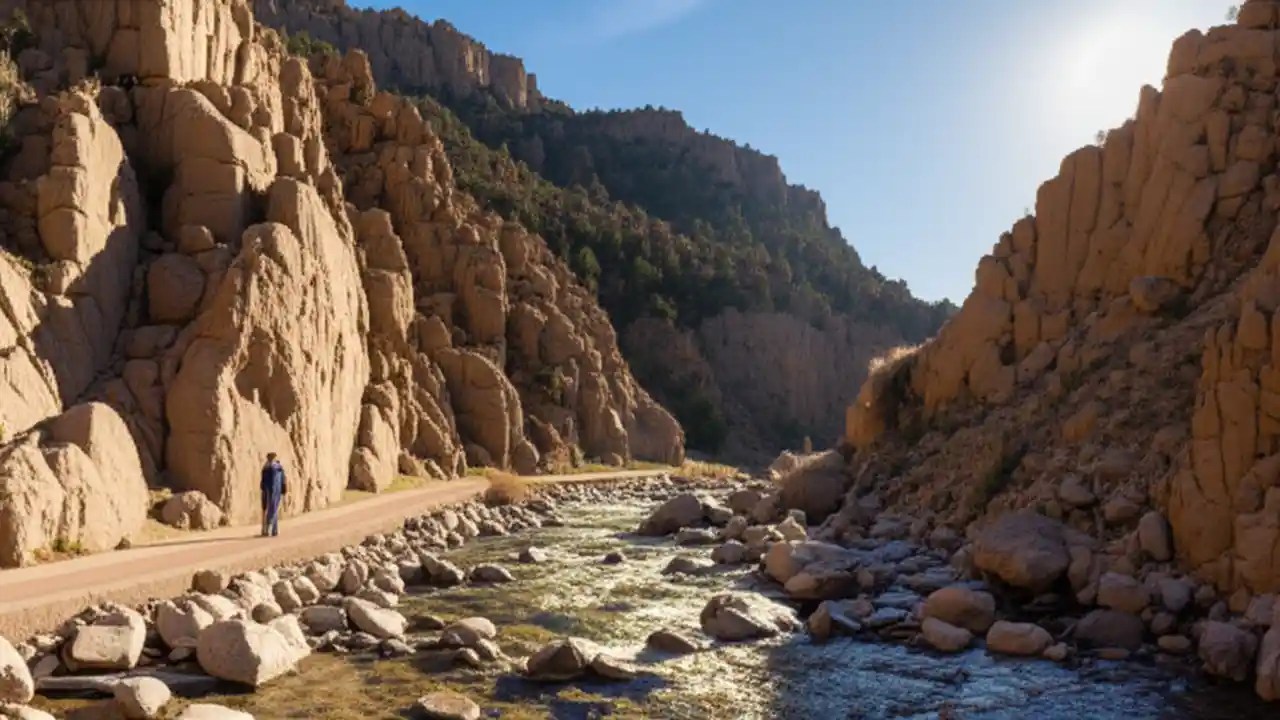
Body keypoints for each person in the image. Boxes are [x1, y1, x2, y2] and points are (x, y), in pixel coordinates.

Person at [260, 452, 286, 537]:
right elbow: (263, 480)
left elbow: (283, 479)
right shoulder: (269, 468)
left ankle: (269, 528)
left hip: (274, 490)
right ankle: (272, 530)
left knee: (272, 508)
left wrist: (283, 487)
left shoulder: (273, 468)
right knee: (272, 508)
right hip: (270, 490)